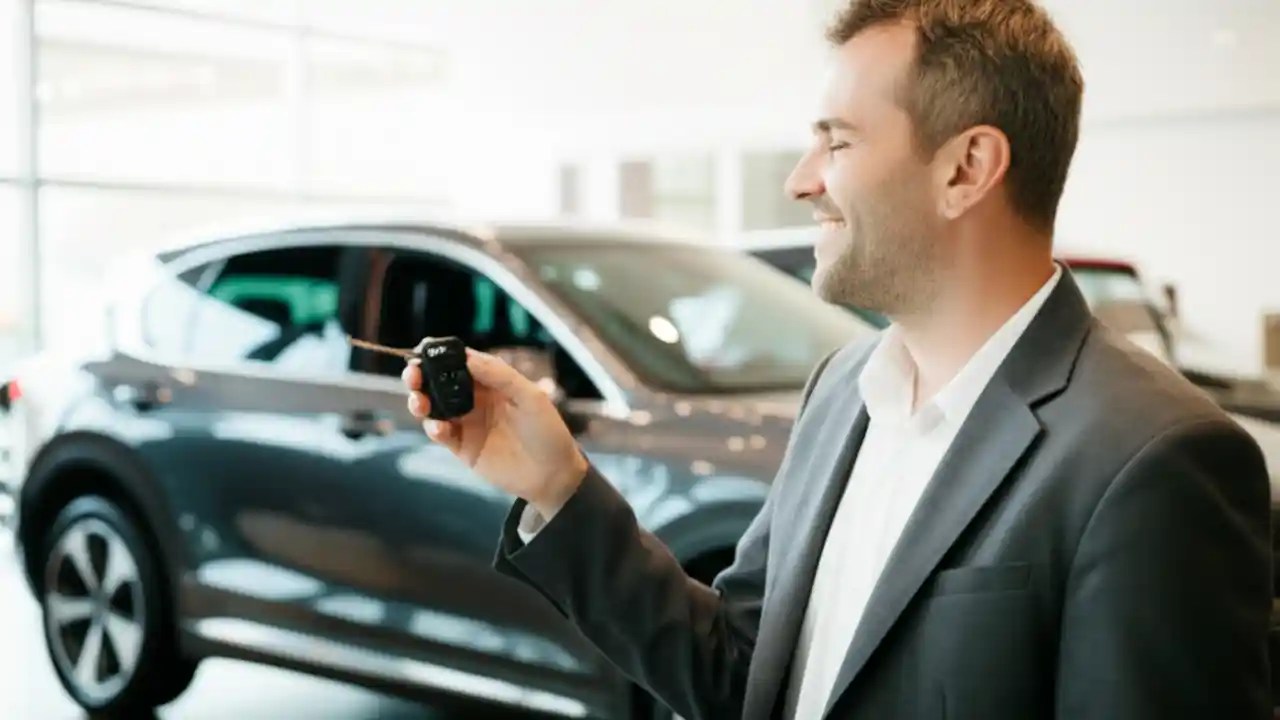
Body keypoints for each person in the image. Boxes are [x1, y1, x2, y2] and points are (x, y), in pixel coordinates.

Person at [403, 0, 1273, 717]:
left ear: (967, 168)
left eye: (839, 141)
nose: (801, 179)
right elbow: (740, 671)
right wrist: (558, 488)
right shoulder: (843, 390)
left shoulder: (1154, 458)